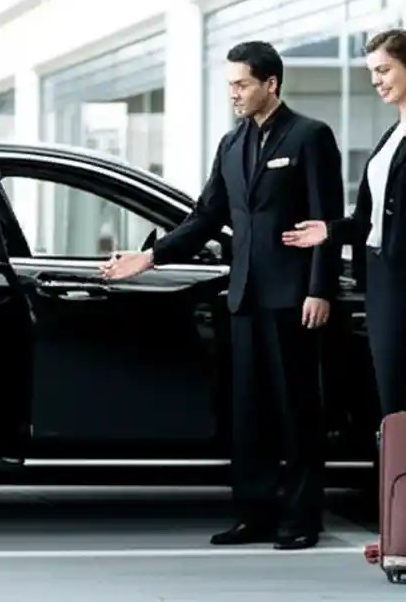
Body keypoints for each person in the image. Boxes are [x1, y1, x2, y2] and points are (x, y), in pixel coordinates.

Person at [100, 40, 345, 550]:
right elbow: (206, 217)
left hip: (293, 297)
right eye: (230, 85)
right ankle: (254, 514)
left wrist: (319, 289)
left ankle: (302, 518)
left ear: (270, 84)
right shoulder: (231, 144)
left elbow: (326, 218)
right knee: (248, 414)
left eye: (242, 84)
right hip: (244, 297)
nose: (233, 93)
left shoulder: (310, 136)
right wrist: (150, 257)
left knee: (297, 411)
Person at [279, 28, 406, 560]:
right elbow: (366, 220)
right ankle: (400, 527)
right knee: (390, 404)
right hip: (381, 278)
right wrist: (328, 231)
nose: (377, 81)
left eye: (384, 70)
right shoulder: (390, 137)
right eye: (372, 74)